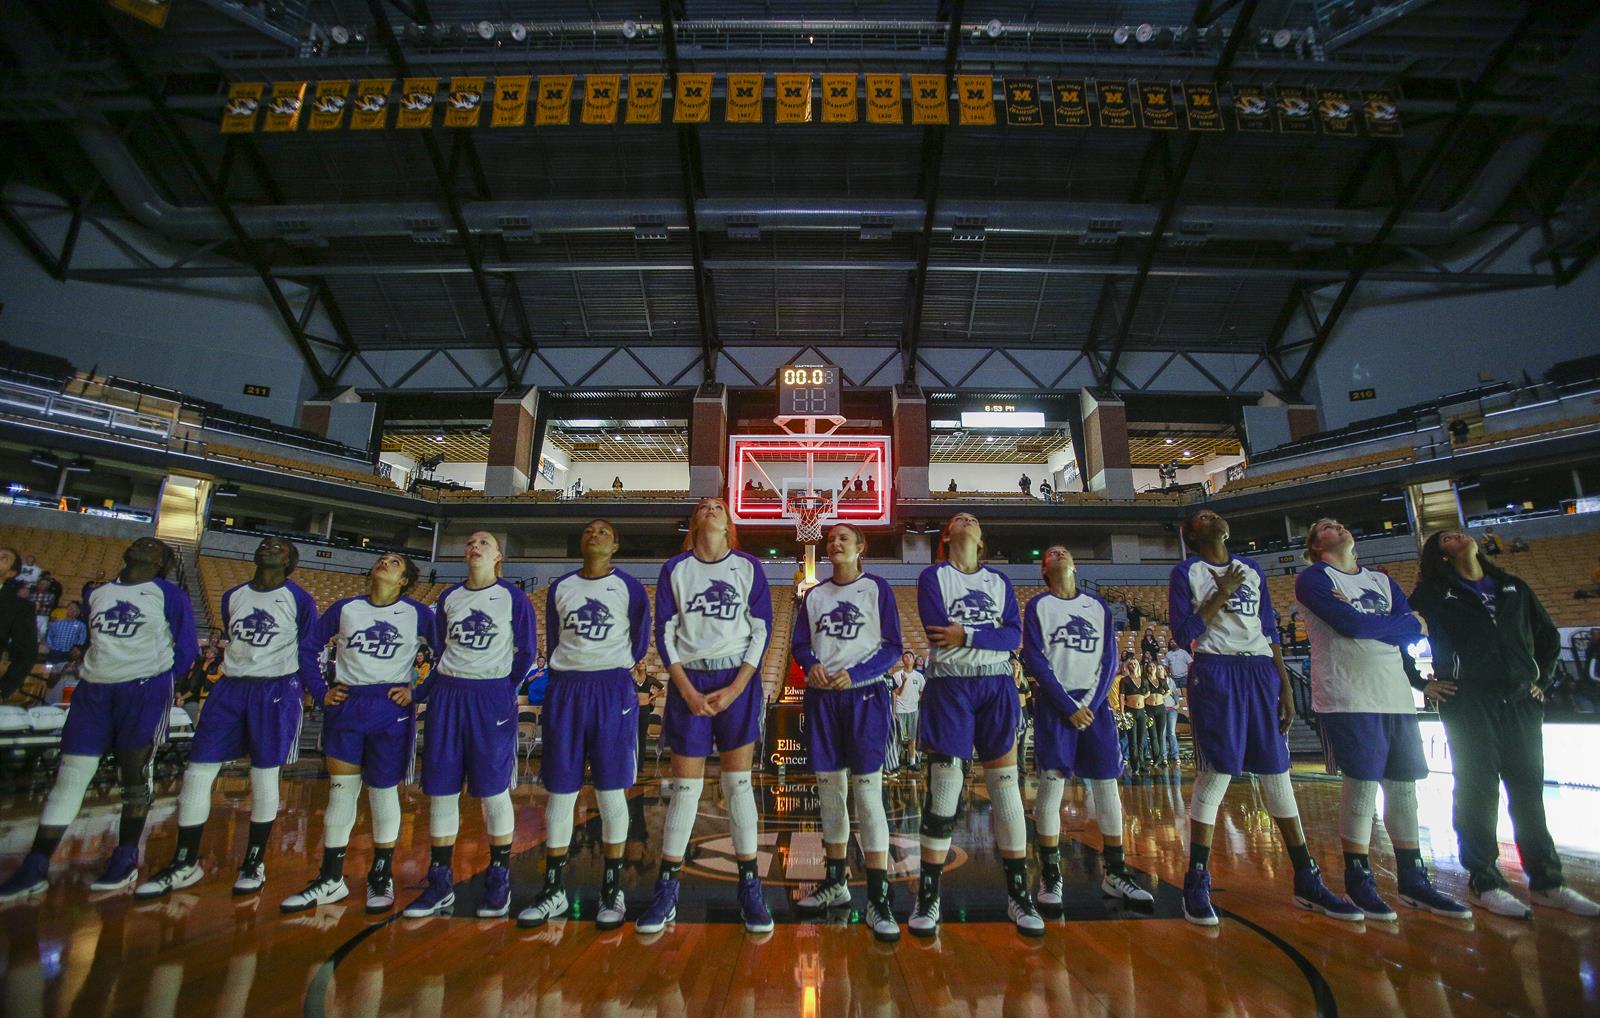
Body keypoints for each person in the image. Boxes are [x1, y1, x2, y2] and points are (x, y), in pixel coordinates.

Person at [1168, 509, 1361, 927]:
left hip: (1260, 670)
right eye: (1202, 515)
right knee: (1215, 774)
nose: (1213, 516)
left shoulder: (1252, 568)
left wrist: (1285, 686)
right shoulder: (1186, 571)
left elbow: (1270, 629)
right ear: (1192, 535)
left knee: (1277, 773)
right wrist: (1221, 593)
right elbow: (1183, 635)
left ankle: (1307, 878)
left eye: (1216, 512)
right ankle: (1196, 881)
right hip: (1216, 669)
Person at [1406, 529, 1599, 918]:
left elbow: (1547, 638)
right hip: (1469, 703)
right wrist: (1421, 681)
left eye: (1457, 532)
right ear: (1438, 556)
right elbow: (1396, 637)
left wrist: (1540, 680)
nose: (1455, 536)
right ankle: (1485, 880)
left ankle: (1547, 882)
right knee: (1478, 792)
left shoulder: (1513, 586)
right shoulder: (1432, 593)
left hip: (1521, 702)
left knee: (1528, 791)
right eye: (1443, 539)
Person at [0, 537, 198, 902]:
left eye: (154, 547)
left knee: (134, 775)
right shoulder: (98, 593)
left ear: (162, 562)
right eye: (142, 542)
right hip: (94, 691)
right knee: (71, 774)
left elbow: (187, 648)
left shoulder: (169, 594)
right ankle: (36, 864)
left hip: (142, 690)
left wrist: (163, 683)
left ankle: (125, 857)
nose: (145, 545)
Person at [1296, 519, 1470, 921]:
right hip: (1348, 694)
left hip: (1395, 693)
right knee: (1361, 787)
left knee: (1403, 786)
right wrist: (1399, 624)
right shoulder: (1313, 578)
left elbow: (1413, 628)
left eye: (1339, 523)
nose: (1336, 526)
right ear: (1315, 545)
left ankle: (1413, 880)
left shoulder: (1380, 580)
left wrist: (1398, 626)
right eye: (1324, 526)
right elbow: (1355, 625)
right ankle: (1359, 880)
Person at [135, 537, 320, 900]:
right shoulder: (233, 595)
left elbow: (307, 647)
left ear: (289, 561)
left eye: (278, 547)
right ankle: (185, 860)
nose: (268, 546)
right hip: (230, 687)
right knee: (198, 770)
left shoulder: (299, 599)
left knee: (264, 775)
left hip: (275, 690)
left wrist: (316, 692)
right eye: (265, 543)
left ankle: (254, 860)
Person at [638, 498, 774, 935]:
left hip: (738, 678)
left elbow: (761, 629)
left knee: (738, 787)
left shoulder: (749, 566)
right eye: (705, 505)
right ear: (695, 521)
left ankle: (750, 887)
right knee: (685, 791)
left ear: (729, 521)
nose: (712, 508)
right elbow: (664, 630)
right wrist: (686, 689)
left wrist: (736, 688)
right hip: (689, 683)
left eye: (719, 506)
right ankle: (667, 889)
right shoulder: (675, 568)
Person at [280, 552, 437, 914]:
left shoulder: (418, 613)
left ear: (404, 581)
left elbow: (446, 656)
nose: (385, 562)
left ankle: (380, 875)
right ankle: (330, 878)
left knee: (383, 794)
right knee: (341, 794)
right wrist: (321, 692)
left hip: (390, 707)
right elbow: (307, 648)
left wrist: (419, 693)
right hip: (348, 703)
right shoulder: (345, 608)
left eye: (395, 563)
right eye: (382, 558)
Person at [912, 512, 1042, 937]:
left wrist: (966, 635)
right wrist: (983, 634)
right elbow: (936, 632)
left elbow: (1012, 638)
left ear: (982, 538)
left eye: (973, 519)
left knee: (1006, 787)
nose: (966, 520)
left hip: (996, 686)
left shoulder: (998, 581)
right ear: (947, 535)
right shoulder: (933, 576)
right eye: (958, 518)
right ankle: (928, 896)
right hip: (950, 687)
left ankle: (1019, 894)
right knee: (945, 787)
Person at [519, 520, 648, 931]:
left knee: (611, 791)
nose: (595, 535)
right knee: (561, 789)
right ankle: (553, 889)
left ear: (616, 545)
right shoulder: (560, 587)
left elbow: (640, 640)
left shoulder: (629, 587)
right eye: (589, 530)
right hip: (566, 688)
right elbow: (555, 640)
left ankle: (613, 887)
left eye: (604, 532)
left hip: (611, 688)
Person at [403, 532, 536, 920]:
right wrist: (421, 692)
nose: (474, 546)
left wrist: (504, 687)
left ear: (498, 556)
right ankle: (441, 880)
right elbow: (442, 649)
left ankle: (499, 878)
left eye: (484, 542)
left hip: (490, 696)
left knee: (493, 790)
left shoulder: (513, 597)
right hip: (448, 694)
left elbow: (526, 650)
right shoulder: (448, 598)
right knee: (441, 790)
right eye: (470, 542)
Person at [1023, 545, 1153, 912]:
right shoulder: (1039, 607)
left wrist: (1091, 706)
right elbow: (1035, 659)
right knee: (1051, 789)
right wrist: (1068, 706)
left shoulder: (1096, 606)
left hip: (1094, 708)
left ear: (1075, 564)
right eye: (1052, 553)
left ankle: (1116, 872)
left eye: (1065, 551)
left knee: (1107, 786)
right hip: (1055, 707)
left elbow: (1109, 658)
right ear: (1044, 569)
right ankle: (1050, 874)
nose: (1060, 553)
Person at [790, 523, 904, 941]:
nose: (834, 543)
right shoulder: (814, 594)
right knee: (830, 793)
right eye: (830, 539)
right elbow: (800, 644)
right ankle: (835, 883)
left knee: (868, 794)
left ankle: (878, 898)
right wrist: (810, 665)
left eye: (844, 538)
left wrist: (856, 673)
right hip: (823, 699)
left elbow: (892, 647)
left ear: (860, 547)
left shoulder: (877, 589)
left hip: (866, 698)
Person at [889, 652, 925, 771]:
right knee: (898, 739)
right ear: (902, 660)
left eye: (910, 656)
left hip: (913, 710)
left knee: (912, 738)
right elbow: (895, 693)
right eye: (905, 656)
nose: (907, 658)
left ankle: (912, 762)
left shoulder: (919, 676)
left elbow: (922, 692)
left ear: (913, 660)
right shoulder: (897, 675)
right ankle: (895, 763)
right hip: (900, 710)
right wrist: (893, 712)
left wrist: (916, 701)